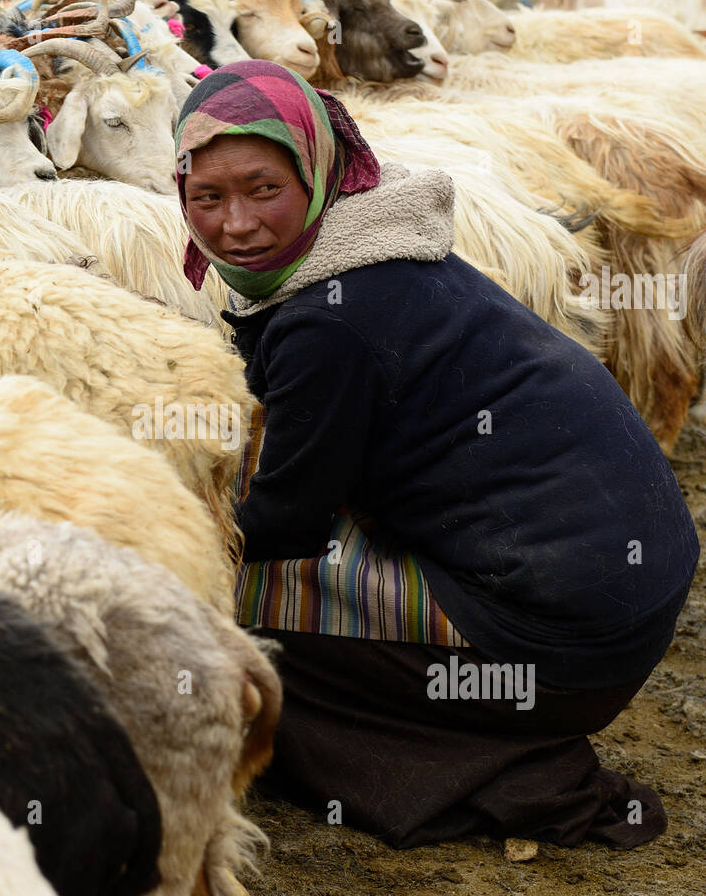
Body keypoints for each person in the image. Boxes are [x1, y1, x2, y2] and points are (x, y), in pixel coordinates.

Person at [175, 59, 699, 851]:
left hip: (562, 648)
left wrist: (161, 544)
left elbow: (281, 524)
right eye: (207, 199)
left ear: (316, 176)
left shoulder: (327, 319)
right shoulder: (378, 252)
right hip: (623, 598)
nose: (237, 225)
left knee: (239, 622)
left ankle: (511, 778)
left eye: (263, 189)